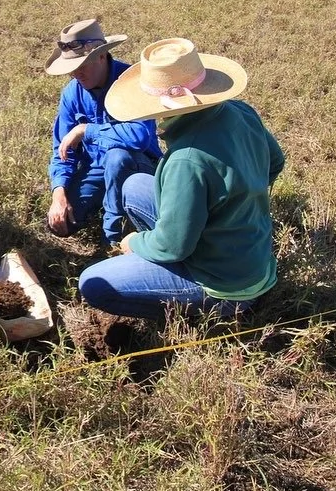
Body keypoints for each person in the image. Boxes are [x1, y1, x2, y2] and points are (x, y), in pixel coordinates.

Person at [78, 37, 285, 320]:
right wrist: (237, 201)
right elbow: (275, 163)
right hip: (250, 256)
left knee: (92, 283)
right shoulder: (241, 111)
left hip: (224, 286)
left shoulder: (185, 159)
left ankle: (195, 313)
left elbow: (172, 246)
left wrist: (136, 243)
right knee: (135, 185)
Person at [45, 19, 163, 247]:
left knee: (117, 157)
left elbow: (139, 136)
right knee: (61, 224)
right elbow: (62, 150)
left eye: (82, 65)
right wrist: (58, 193)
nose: (76, 74)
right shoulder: (72, 93)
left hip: (137, 164)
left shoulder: (130, 82)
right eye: (71, 68)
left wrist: (86, 130)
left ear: (101, 56)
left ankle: (113, 237)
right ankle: (107, 201)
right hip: (96, 167)